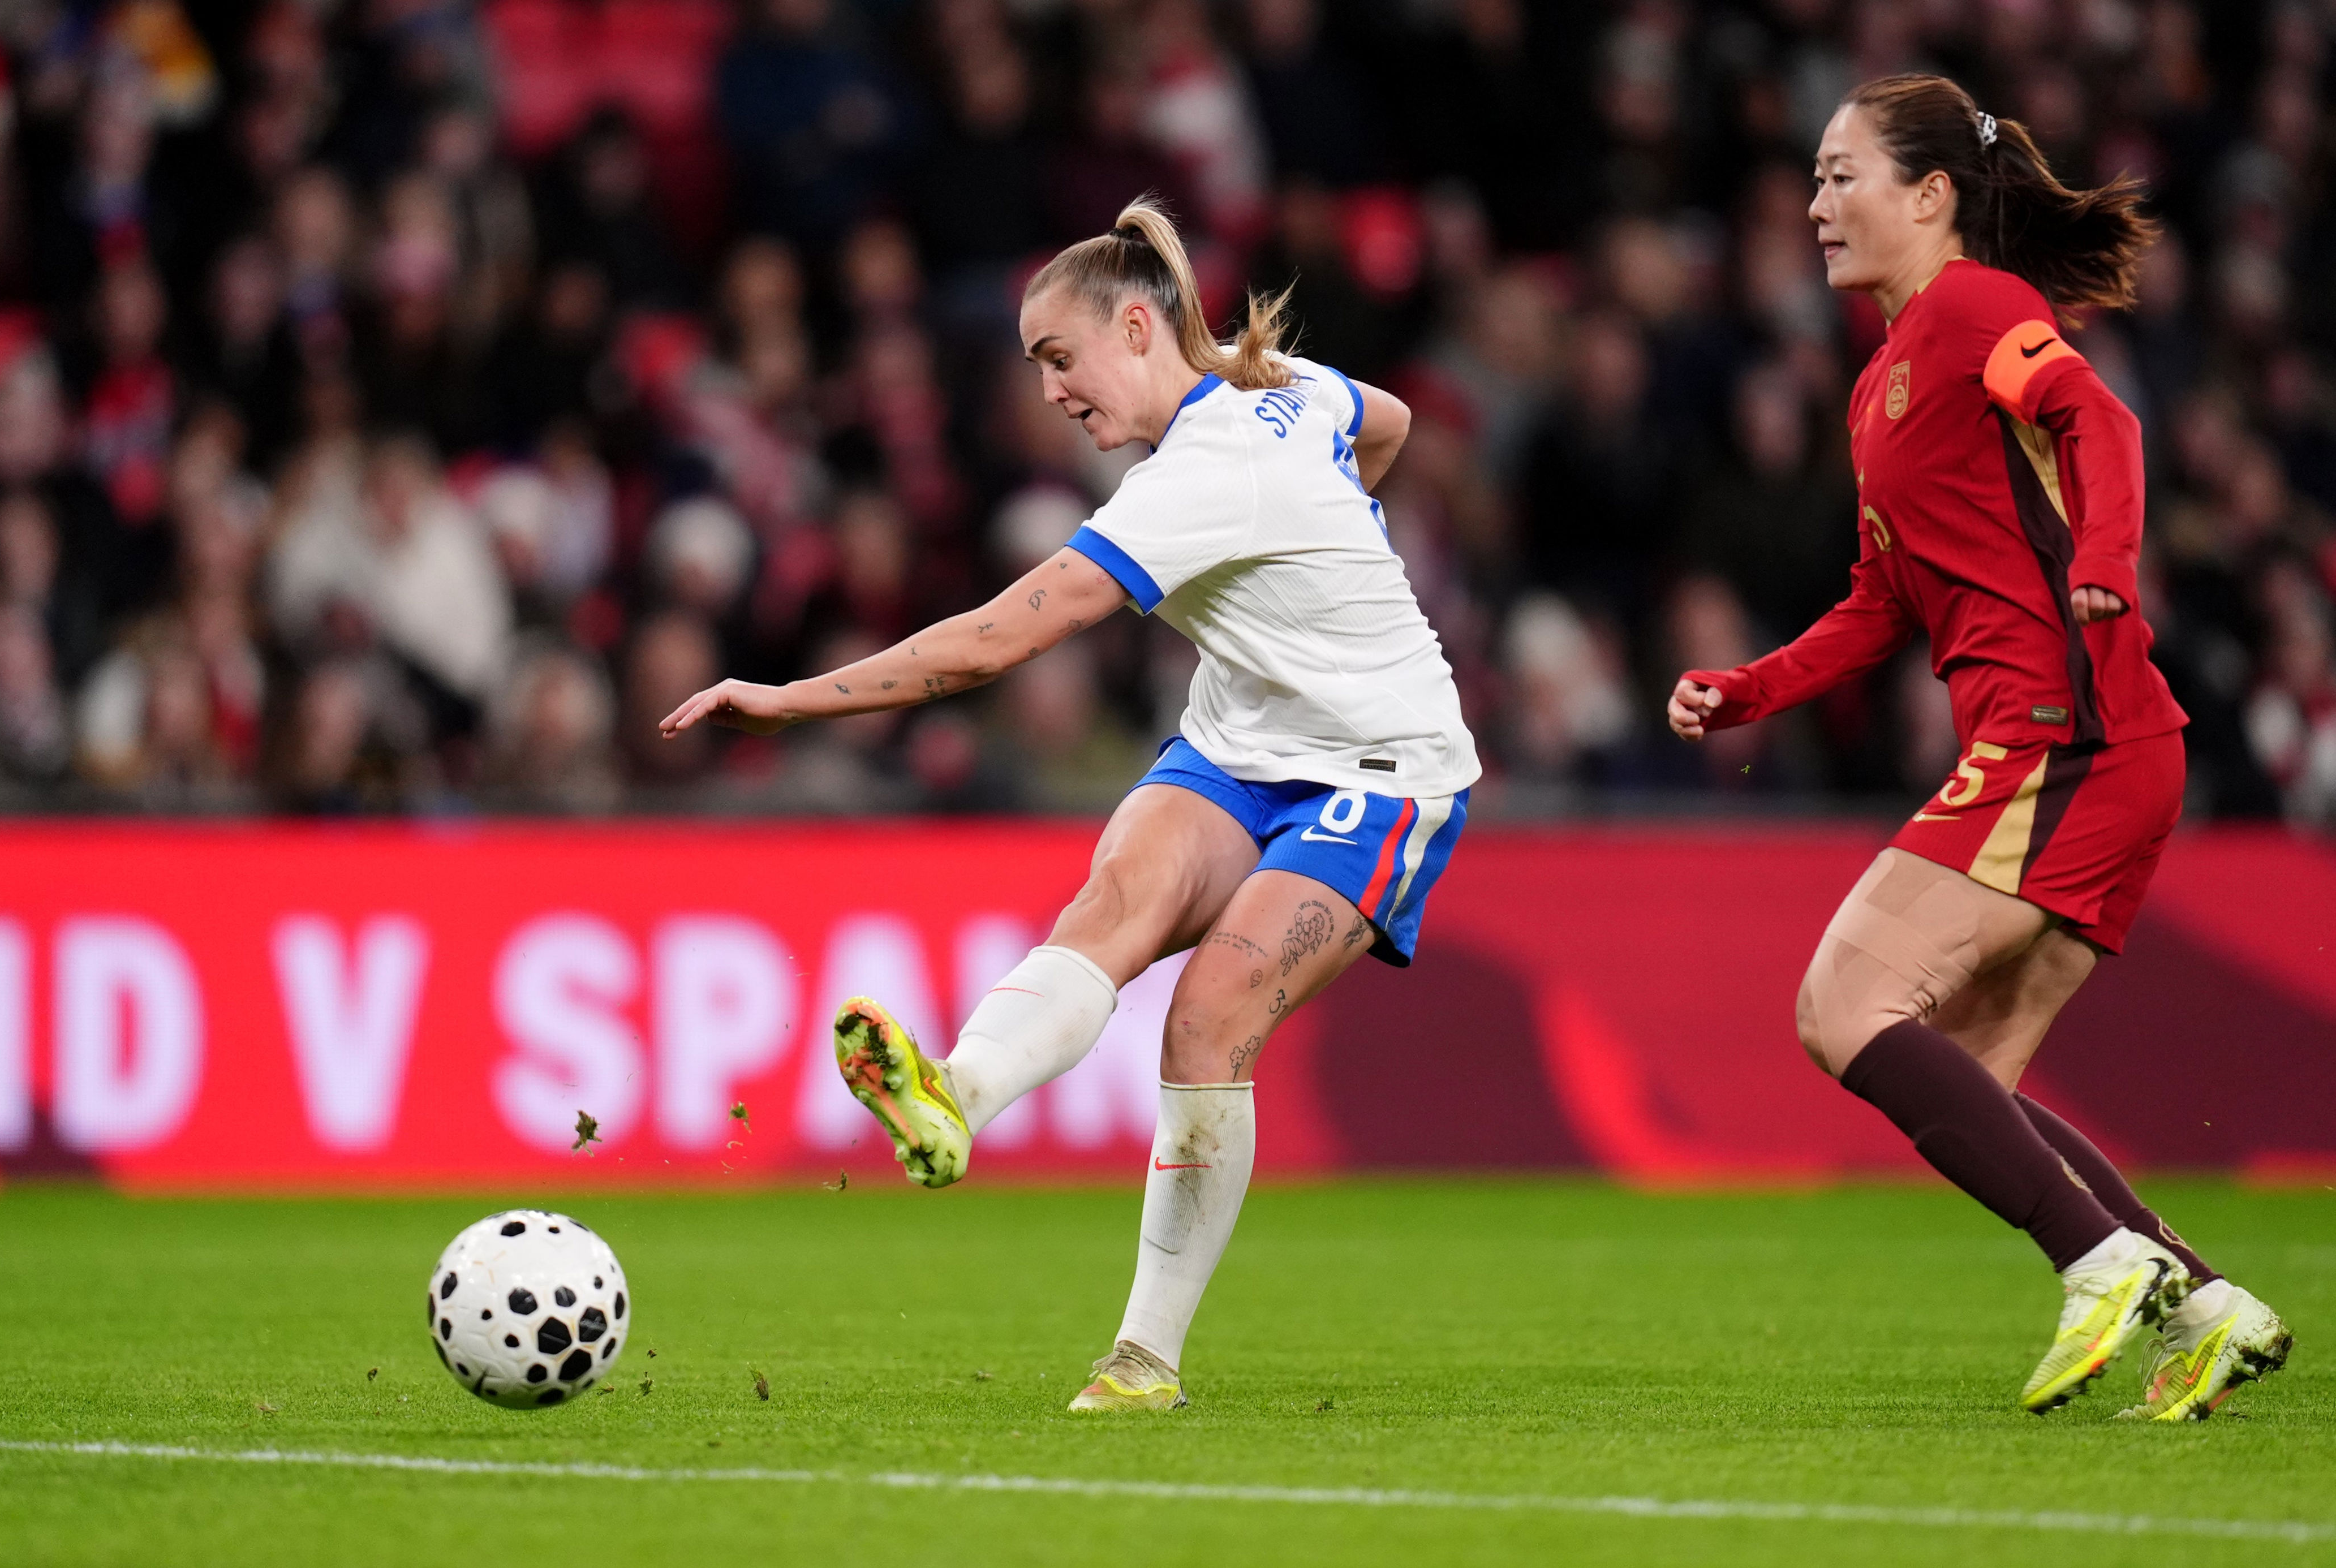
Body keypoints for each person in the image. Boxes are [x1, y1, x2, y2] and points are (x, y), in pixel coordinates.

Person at [661, 199, 1477, 1411]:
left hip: (1382, 772)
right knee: (1118, 894)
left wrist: (786, 702)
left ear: (1137, 326)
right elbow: (1387, 424)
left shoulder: (1203, 472)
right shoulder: (1279, 387)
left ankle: (1145, 1361)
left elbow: (991, 646)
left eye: (1060, 358)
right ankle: (955, 1096)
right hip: (1237, 743)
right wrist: (1316, 572)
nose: (1048, 392)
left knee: (1207, 1019)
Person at [1667, 75, 2291, 1420]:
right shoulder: (1883, 378)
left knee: (1840, 1009)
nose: (1815, 202)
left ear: (1933, 194)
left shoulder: (1973, 310)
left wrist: (2110, 563)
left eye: (1844, 175)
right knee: (1975, 1071)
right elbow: (1882, 599)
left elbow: (2101, 420)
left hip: (2065, 730)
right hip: (2105, 743)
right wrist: (1750, 691)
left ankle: (2096, 1262)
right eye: (1815, 177)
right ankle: (2201, 1298)